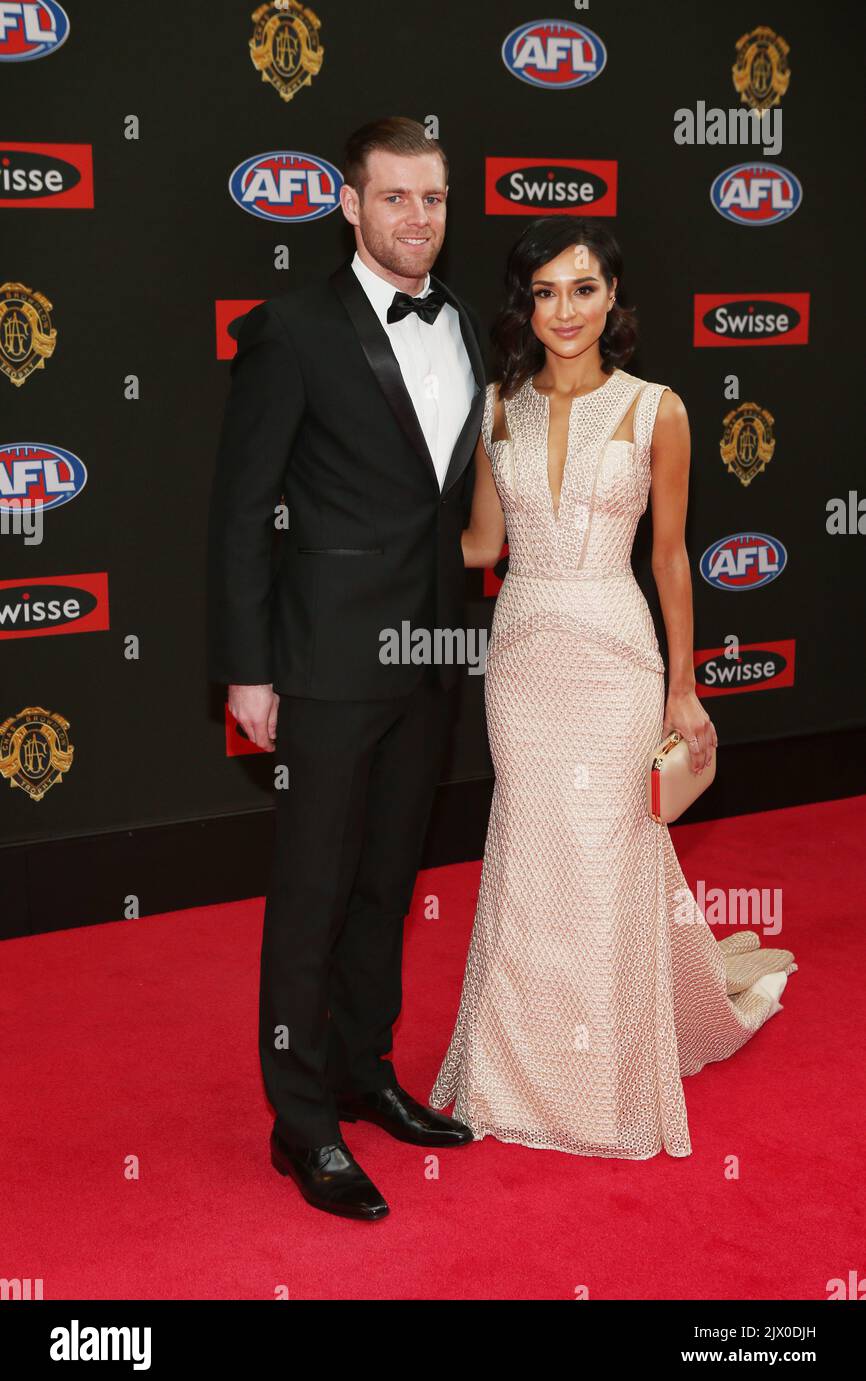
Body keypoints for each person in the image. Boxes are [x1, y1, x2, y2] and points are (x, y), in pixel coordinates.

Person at [428, 216, 798, 1159]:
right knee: (530, 851)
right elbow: (478, 544)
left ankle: (597, 1081)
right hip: (522, 658)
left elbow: (671, 559)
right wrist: (369, 541)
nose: (565, 310)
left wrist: (683, 689)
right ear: (527, 304)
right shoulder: (497, 407)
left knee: (604, 854)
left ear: (613, 300)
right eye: (545, 291)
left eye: (583, 289)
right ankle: (511, 1076)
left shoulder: (657, 408)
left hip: (615, 654)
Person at [207, 117, 484, 1220]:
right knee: (312, 892)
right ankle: (301, 1121)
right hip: (321, 660)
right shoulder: (290, 328)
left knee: (386, 882)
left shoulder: (462, 322)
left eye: (434, 199)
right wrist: (246, 668)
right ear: (349, 206)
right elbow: (239, 514)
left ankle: (365, 1071)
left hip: (429, 656)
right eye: (396, 198)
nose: (418, 219)